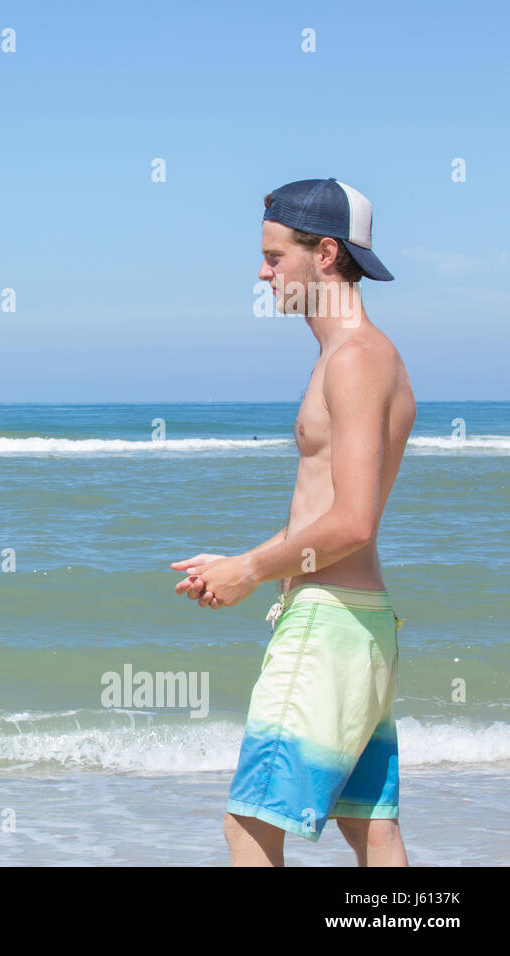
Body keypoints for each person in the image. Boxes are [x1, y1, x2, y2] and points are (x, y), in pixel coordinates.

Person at [172, 179, 414, 866]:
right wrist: (242, 565)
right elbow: (328, 516)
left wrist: (249, 570)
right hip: (356, 625)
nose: (262, 272)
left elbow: (354, 522)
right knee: (369, 826)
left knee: (249, 828)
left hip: (328, 625)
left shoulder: (357, 360)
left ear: (327, 254)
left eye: (275, 257)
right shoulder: (358, 357)